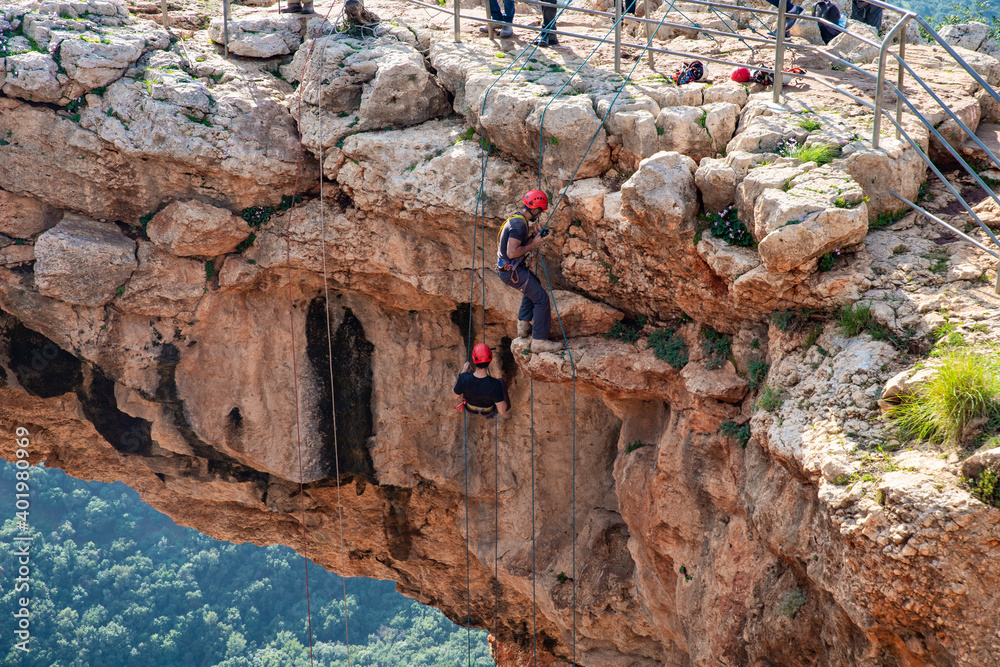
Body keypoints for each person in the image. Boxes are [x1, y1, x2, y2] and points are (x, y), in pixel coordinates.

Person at [496, 190, 563, 354]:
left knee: (534, 286)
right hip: (512, 270)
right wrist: (534, 245)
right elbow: (512, 253)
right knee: (541, 299)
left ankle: (523, 327)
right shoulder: (519, 225)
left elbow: (515, 246)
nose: (539, 214)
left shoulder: (517, 219)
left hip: (510, 269)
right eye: (539, 211)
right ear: (534, 209)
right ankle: (539, 341)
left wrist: (533, 236)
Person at [453, 344, 511, 418]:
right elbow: (502, 411)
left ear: (474, 359)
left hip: (470, 409)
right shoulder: (495, 384)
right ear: (490, 359)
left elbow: (455, 396)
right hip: (488, 411)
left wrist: (463, 372)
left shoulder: (464, 378)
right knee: (501, 381)